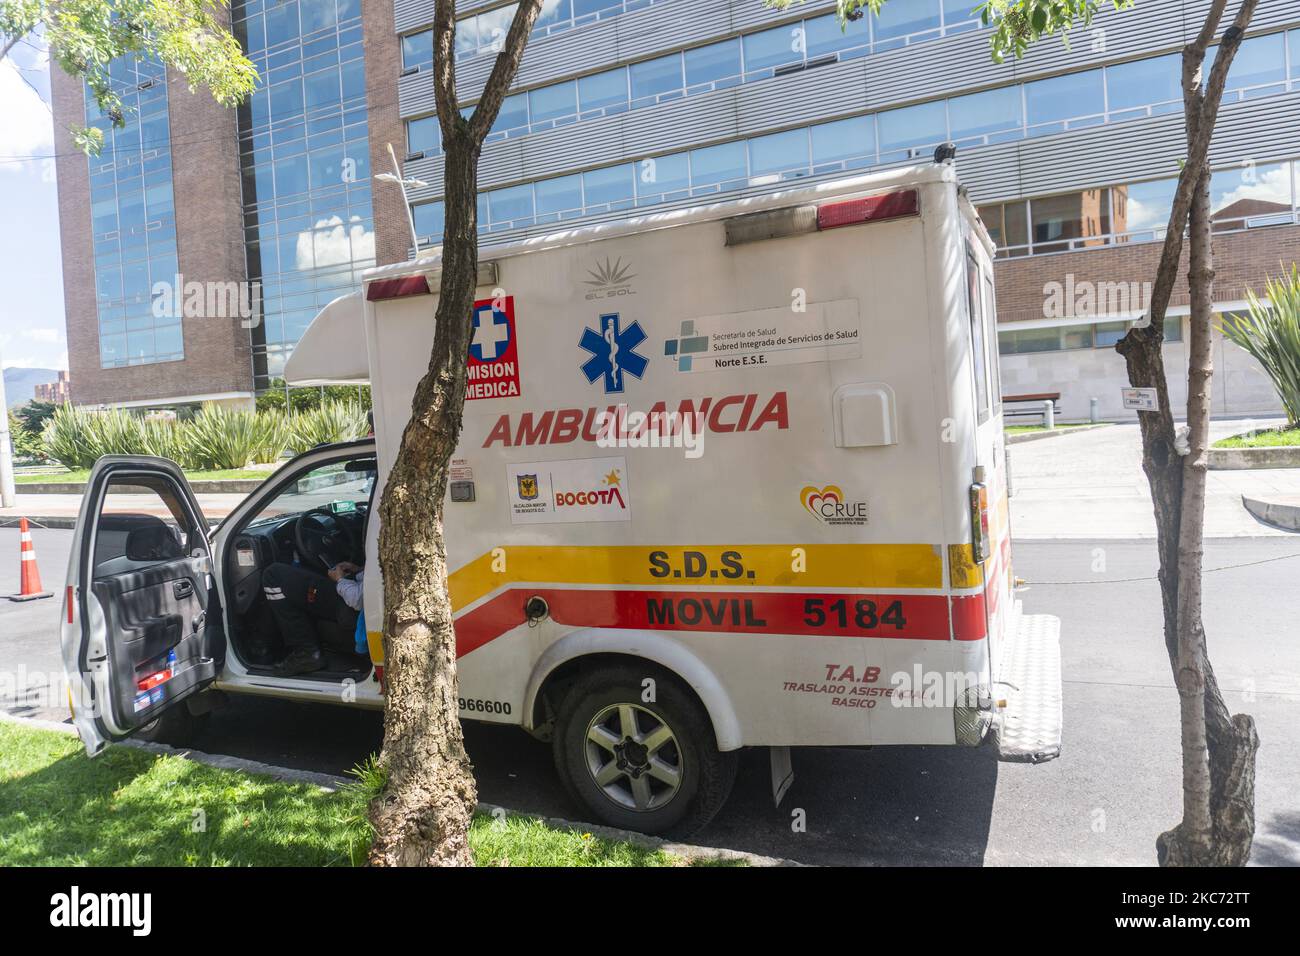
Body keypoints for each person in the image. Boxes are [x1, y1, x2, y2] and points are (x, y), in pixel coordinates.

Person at [261, 559, 364, 676]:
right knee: (306, 572)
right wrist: (359, 570)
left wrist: (340, 579)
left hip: (353, 609)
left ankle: (307, 653)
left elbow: (357, 600)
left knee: (273, 575)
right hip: (356, 587)